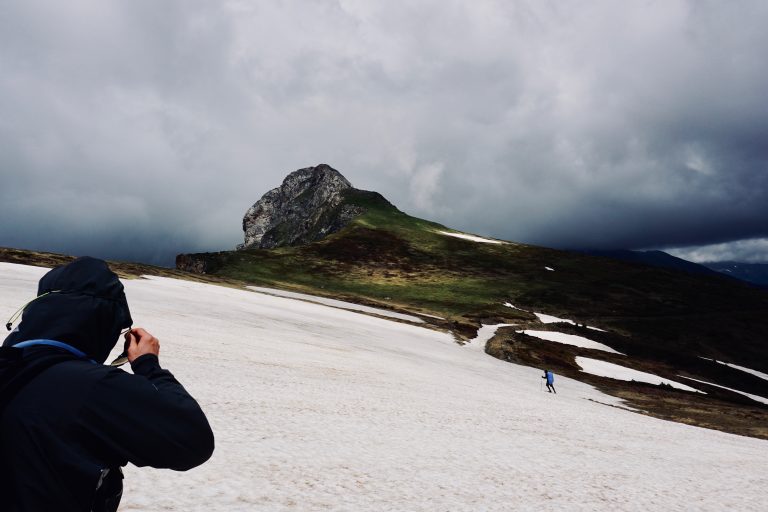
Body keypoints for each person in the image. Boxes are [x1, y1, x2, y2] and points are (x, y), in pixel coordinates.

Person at [0, 257, 214, 512]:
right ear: (102, 323)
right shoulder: (92, 387)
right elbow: (192, 440)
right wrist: (148, 365)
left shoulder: (9, 366)